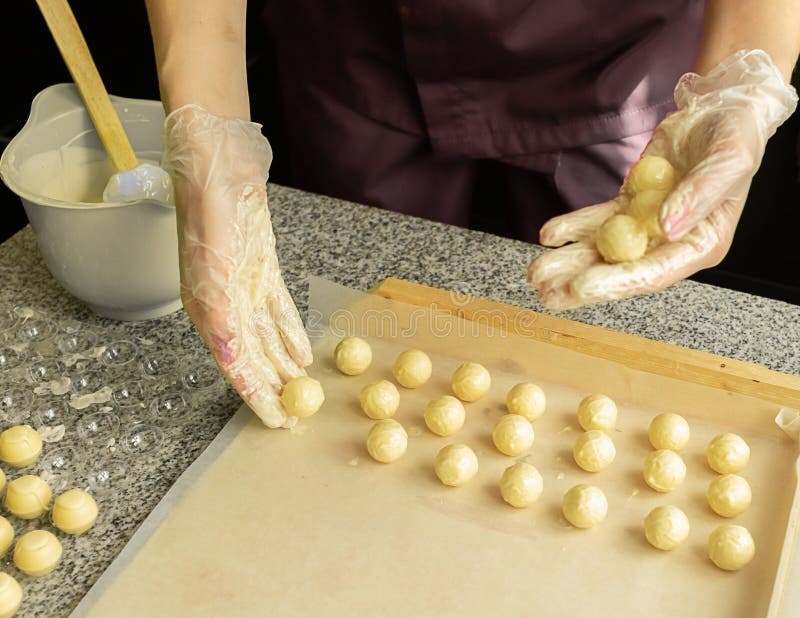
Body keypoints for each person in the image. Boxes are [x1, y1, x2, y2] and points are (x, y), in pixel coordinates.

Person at [144, 1, 799, 425]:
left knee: (612, 346)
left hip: (612, 48)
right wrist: (209, 125)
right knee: (362, 317)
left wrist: (739, 75)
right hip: (360, 41)